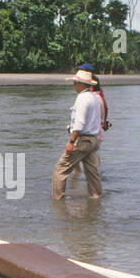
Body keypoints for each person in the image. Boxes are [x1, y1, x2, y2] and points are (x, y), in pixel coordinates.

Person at [51, 69, 104, 199]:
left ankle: (57, 201)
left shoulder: (82, 98)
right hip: (94, 140)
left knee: (60, 169)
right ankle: (96, 199)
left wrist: (71, 141)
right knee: (92, 173)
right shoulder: (94, 98)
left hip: (83, 140)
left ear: (81, 84)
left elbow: (79, 124)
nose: (74, 85)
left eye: (75, 82)